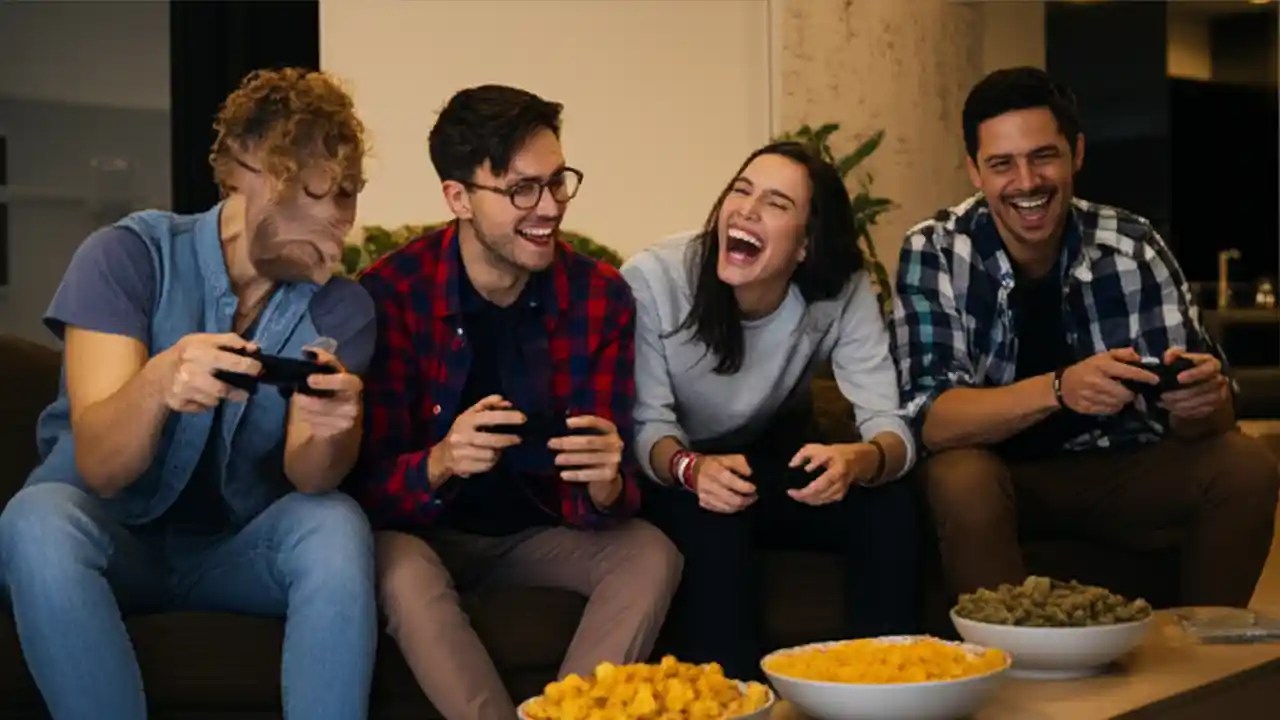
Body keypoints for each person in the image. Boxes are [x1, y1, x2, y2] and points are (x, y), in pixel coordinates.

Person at [0, 68, 378, 720]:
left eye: (347, 193)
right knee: (34, 520)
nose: (337, 219)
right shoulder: (127, 257)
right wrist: (158, 383)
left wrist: (334, 427)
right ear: (243, 173)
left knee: (334, 521)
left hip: (234, 554)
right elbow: (101, 466)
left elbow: (309, 476)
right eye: (315, 191)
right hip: (108, 539)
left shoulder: (342, 308)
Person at [348, 84, 682, 720]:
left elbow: (607, 498)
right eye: (521, 190)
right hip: (426, 535)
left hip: (541, 531)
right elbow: (361, 490)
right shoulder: (391, 295)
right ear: (458, 197)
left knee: (649, 553)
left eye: (557, 183)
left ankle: (569, 716)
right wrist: (441, 460)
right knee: (397, 569)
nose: (549, 208)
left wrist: (608, 484)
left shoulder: (600, 297)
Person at [892, 66, 1279, 607]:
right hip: (996, 474)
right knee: (962, 478)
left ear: (1076, 153)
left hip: (1116, 467)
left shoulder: (1132, 245)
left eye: (1043, 156)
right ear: (975, 171)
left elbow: (1211, 423)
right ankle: (1011, 651)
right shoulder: (935, 249)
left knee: (1246, 466)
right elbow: (931, 418)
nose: (1027, 182)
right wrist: (1060, 388)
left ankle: (1200, 651)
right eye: (1002, 164)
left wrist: (1201, 402)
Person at [623, 140, 921, 681]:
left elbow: (889, 424)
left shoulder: (840, 289)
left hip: (767, 455)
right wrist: (694, 470)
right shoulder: (655, 279)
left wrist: (861, 460)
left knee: (888, 505)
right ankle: (737, 701)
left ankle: (888, 691)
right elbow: (647, 426)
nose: (746, 210)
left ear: (806, 244)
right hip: (676, 473)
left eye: (776, 203)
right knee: (714, 524)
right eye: (741, 191)